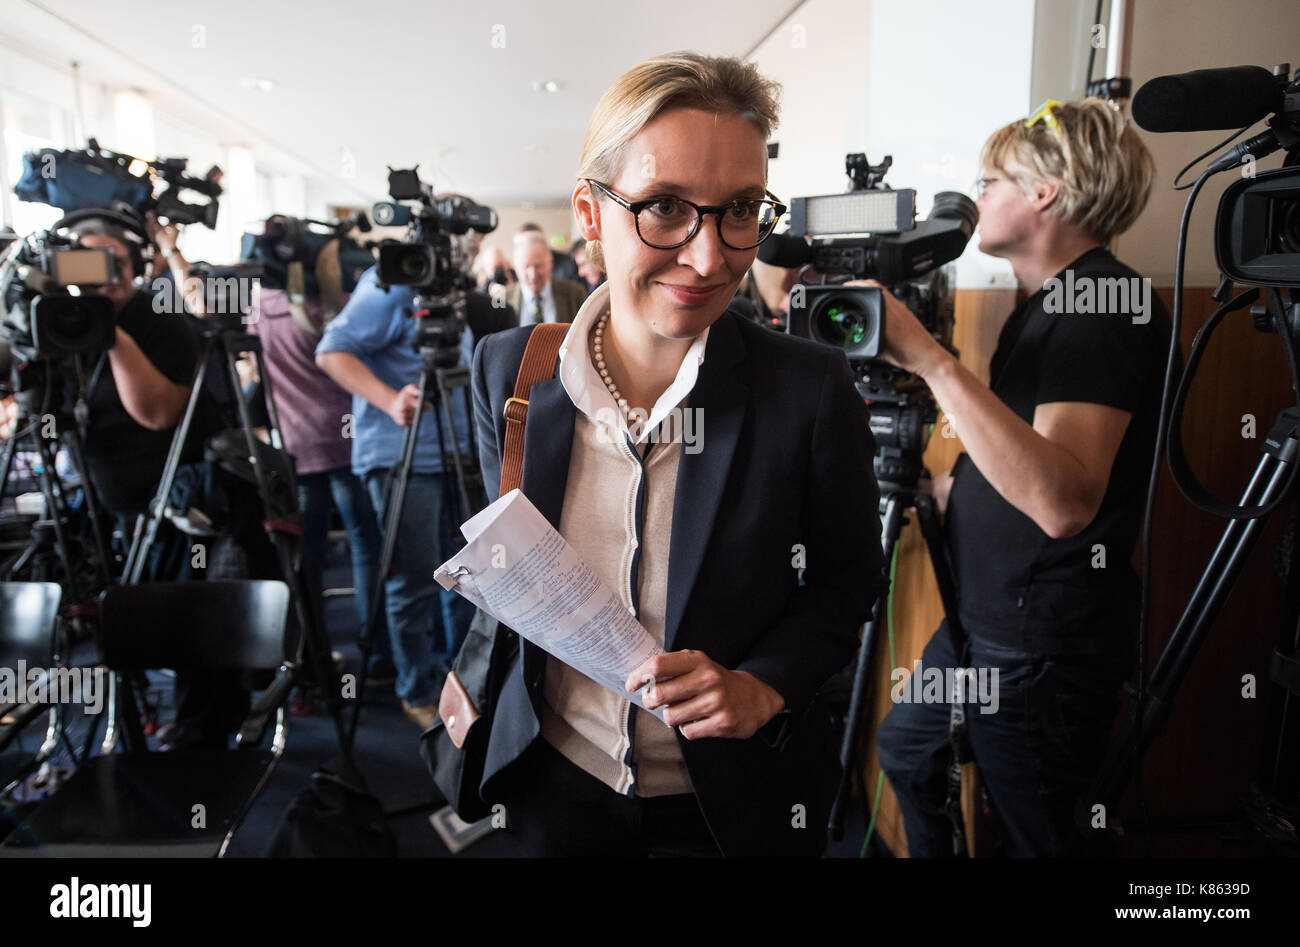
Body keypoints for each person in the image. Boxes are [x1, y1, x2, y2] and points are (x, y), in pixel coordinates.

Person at [471, 52, 886, 857]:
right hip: (551, 780)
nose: (709, 257)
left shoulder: (807, 390)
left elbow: (850, 578)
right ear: (589, 213)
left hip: (728, 807)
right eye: (663, 207)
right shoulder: (509, 371)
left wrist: (763, 683)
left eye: (739, 210)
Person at [872, 98, 1170, 856]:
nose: (975, 199)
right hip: (986, 625)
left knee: (1039, 834)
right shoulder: (1047, 303)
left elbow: (1065, 500)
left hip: (1039, 646)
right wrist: (958, 487)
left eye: (990, 179)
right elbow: (1025, 444)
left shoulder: (1104, 305)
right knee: (908, 750)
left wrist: (930, 359)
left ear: (1046, 190)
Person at [315, 264, 479, 729]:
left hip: (453, 453)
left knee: (465, 578)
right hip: (403, 460)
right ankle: (417, 690)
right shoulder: (390, 289)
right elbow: (331, 351)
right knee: (414, 581)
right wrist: (389, 401)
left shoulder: (448, 289)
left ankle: (461, 685)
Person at [505, 231, 588, 325]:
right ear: (516, 268)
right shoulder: (503, 298)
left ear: (550, 263)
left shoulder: (575, 294)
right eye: (526, 267)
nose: (533, 275)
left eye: (538, 266)